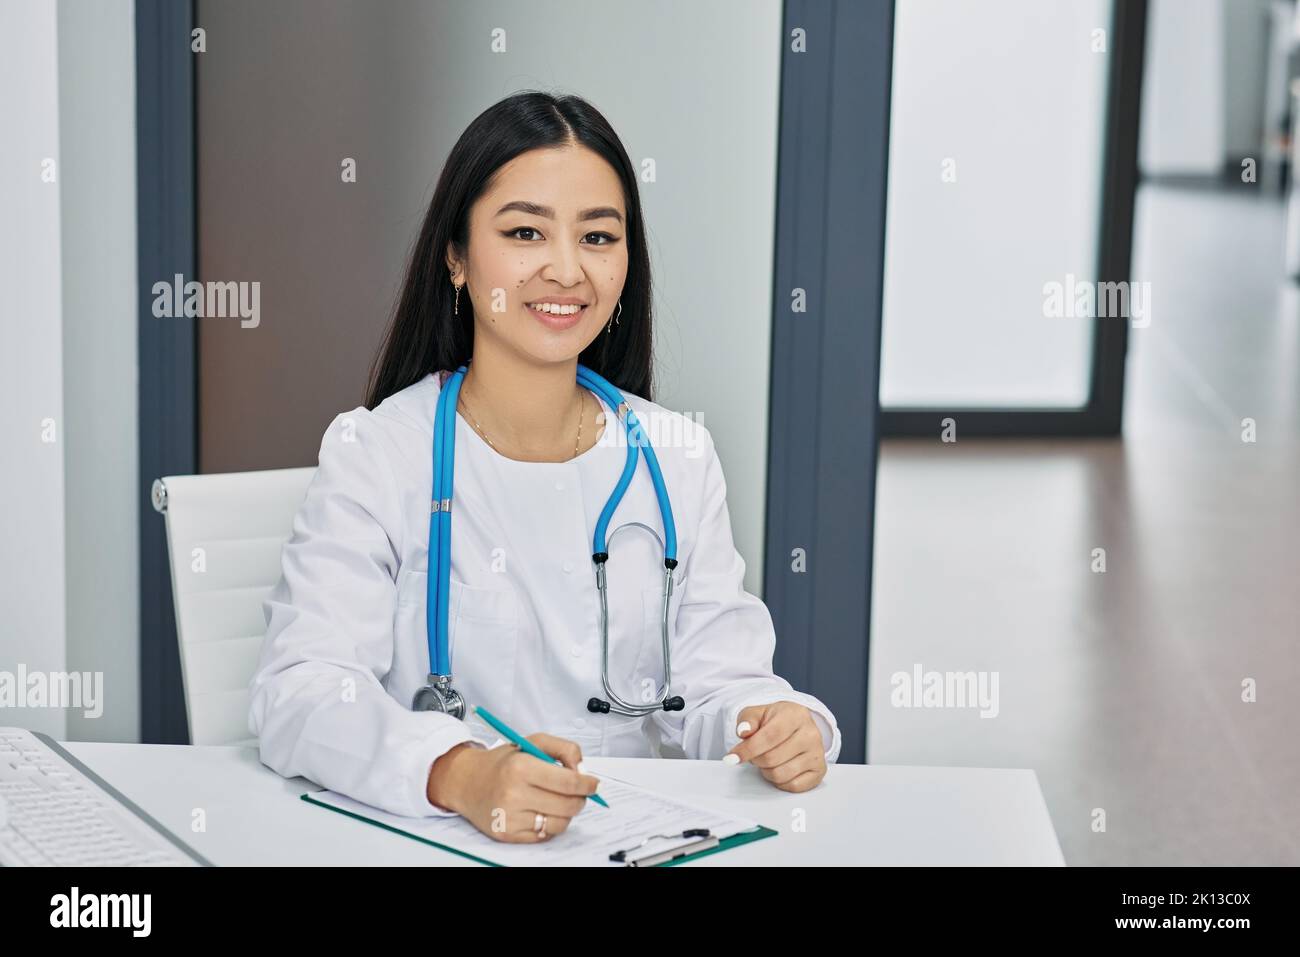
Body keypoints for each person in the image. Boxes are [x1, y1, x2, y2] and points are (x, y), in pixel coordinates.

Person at [249, 91, 841, 845]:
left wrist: (776, 723)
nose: (567, 269)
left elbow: (720, 683)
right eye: (525, 231)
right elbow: (299, 692)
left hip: (631, 840)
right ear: (457, 257)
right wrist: (460, 772)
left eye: (598, 236)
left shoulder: (676, 455)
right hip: (438, 841)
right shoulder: (379, 453)